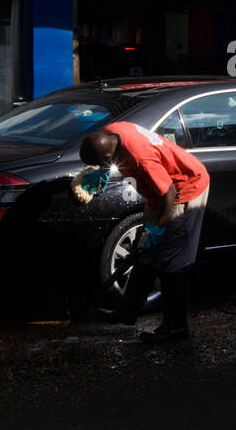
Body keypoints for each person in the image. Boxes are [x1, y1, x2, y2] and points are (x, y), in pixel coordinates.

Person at [77, 122, 210, 344]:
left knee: (171, 260)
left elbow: (169, 192)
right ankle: (127, 311)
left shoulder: (141, 158)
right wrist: (102, 169)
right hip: (158, 194)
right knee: (144, 252)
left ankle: (176, 327)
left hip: (183, 190)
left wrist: (159, 226)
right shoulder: (113, 131)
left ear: (108, 155)